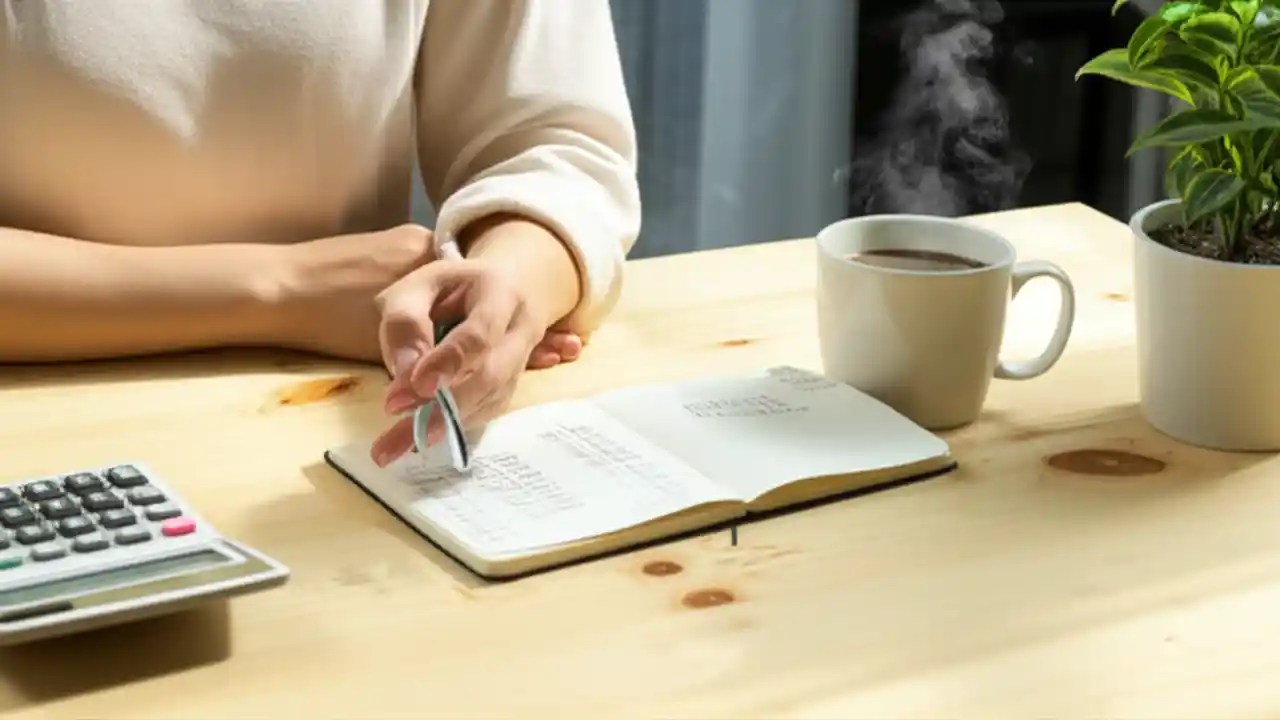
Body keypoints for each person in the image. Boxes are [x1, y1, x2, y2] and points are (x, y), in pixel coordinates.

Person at [0, 1, 641, 467]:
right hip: (42, 448)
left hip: (349, 427)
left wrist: (507, 282)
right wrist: (290, 290)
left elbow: (557, 145)